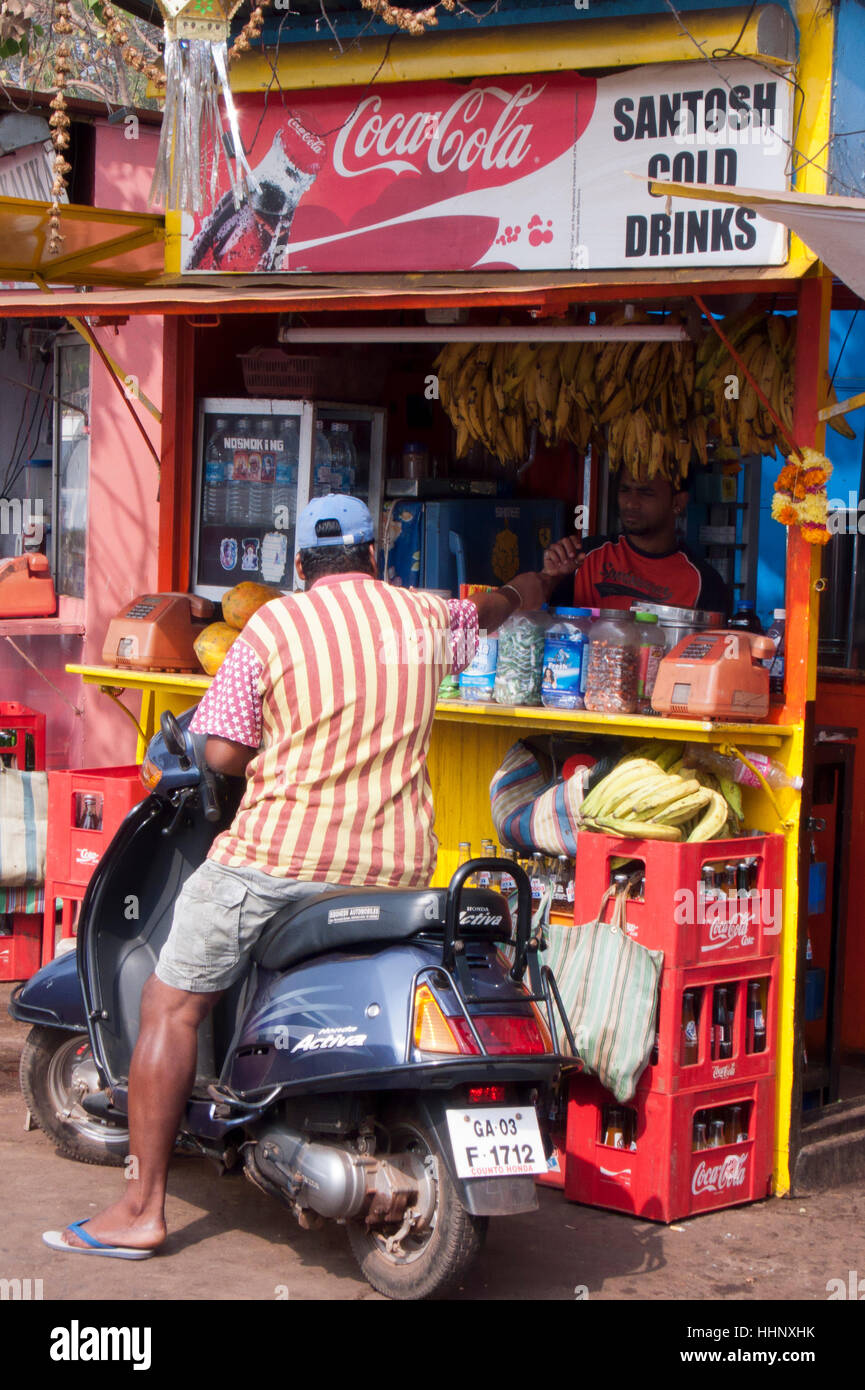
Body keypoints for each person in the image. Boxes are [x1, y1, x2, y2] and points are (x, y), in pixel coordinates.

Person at [44, 494, 552, 1259]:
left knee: (169, 1003)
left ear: (302, 568)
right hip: (395, 868)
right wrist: (531, 585)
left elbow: (218, 756)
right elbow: (487, 609)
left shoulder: (273, 626)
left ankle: (142, 1206)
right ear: (372, 556)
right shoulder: (423, 618)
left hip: (279, 861)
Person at [544, 468, 730, 615]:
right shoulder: (584, 556)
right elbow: (535, 623)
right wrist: (549, 578)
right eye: (625, 490)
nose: (631, 503)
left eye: (646, 492)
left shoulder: (704, 582)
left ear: (678, 502)